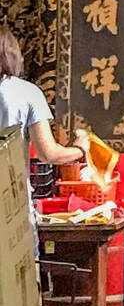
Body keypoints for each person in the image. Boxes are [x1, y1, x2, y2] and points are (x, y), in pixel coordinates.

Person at [0, 25, 88, 252]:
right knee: (21, 276)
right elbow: (48, 153)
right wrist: (80, 150)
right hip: (11, 201)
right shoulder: (26, 93)